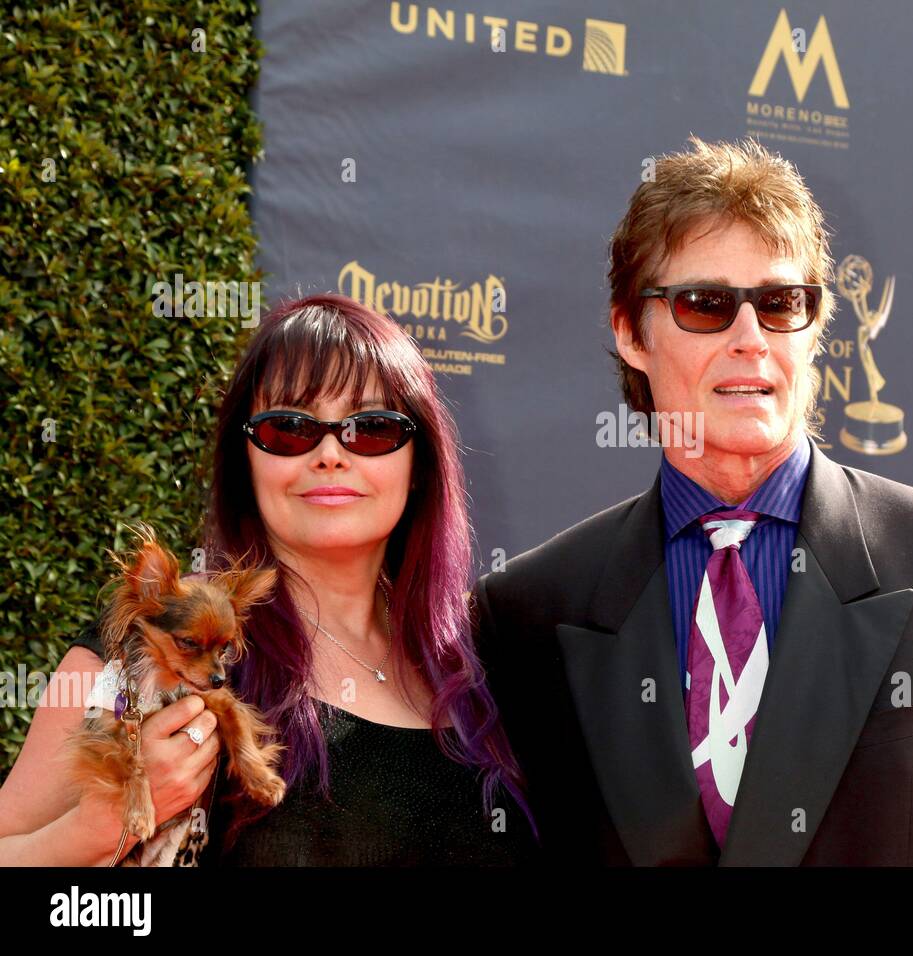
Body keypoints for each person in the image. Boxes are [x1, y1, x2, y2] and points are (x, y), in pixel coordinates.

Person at [473, 136, 913, 865]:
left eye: (782, 303)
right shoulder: (531, 610)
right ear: (631, 332)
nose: (750, 339)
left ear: (815, 327)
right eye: (706, 305)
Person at [0, 293, 537, 866]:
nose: (331, 453)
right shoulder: (139, 659)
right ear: (245, 461)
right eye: (288, 428)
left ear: (419, 466)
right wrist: (101, 825)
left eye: (372, 427)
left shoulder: (483, 659)